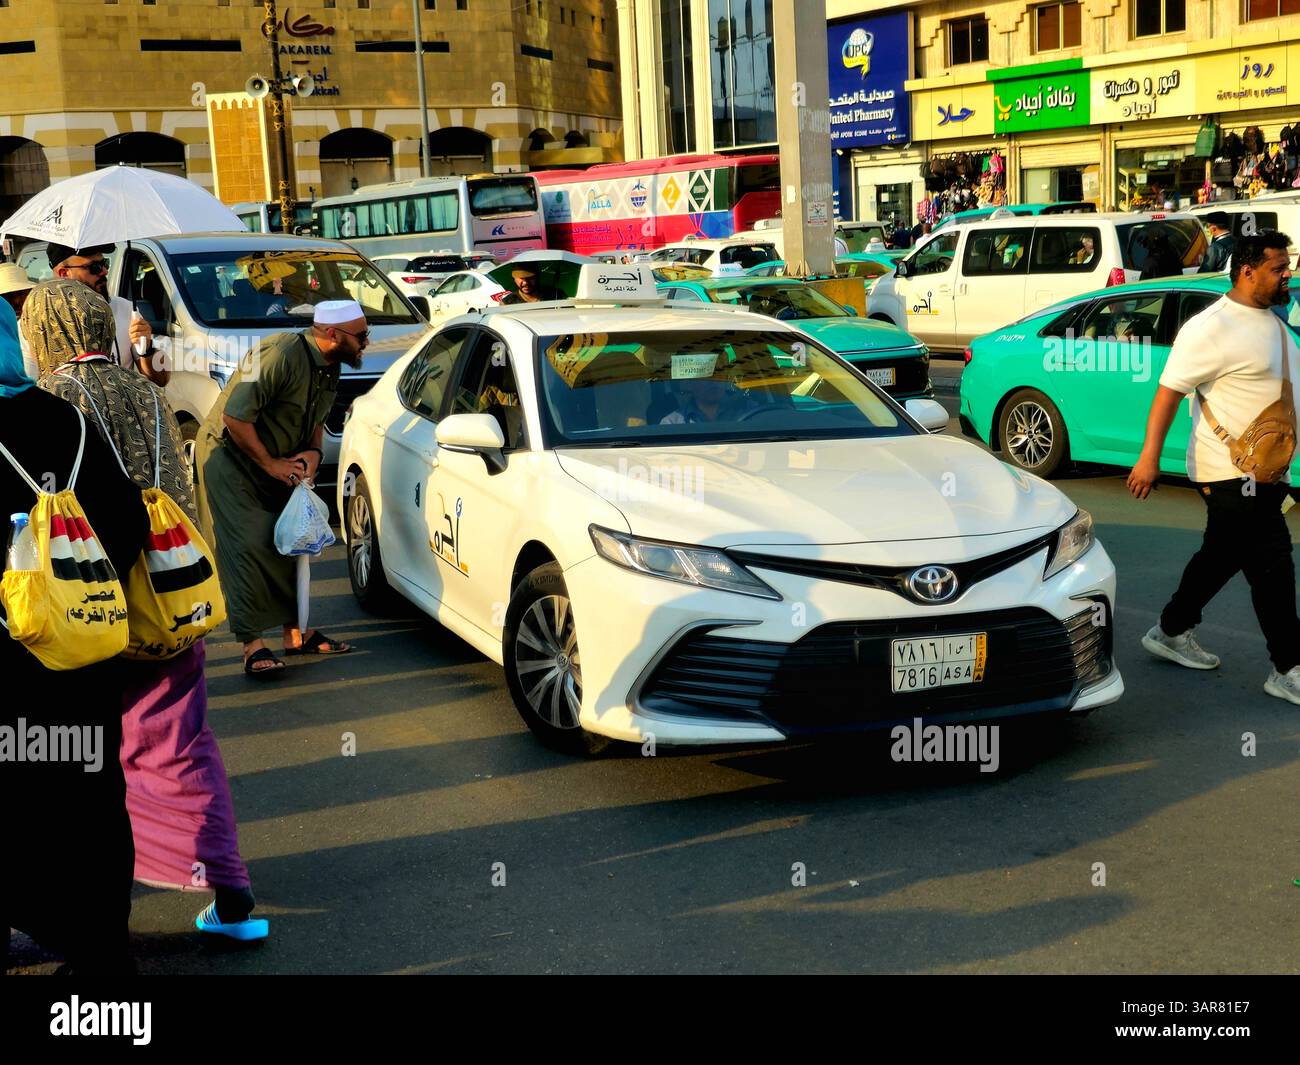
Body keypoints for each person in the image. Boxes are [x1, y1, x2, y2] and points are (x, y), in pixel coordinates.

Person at [22, 279, 266, 940]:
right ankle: (231, 890)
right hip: (170, 599)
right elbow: (180, 495)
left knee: (86, 766)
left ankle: (100, 916)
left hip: (93, 606)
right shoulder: (152, 395)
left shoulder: (52, 401)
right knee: (182, 745)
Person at [0, 300, 148, 974]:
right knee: (89, 802)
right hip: (84, 663)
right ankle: (101, 949)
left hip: (10, 670)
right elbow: (125, 523)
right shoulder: (71, 420)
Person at [1127, 231, 1300, 705]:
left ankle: (1170, 629)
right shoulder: (1211, 327)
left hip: (1268, 472)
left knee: (1221, 556)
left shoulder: (1275, 324)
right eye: (1278, 268)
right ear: (1247, 270)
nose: (1288, 274)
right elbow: (1169, 392)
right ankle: (1288, 667)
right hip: (1227, 470)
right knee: (1273, 565)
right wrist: (1148, 459)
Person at [196, 300, 363, 677]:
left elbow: (316, 420)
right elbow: (234, 417)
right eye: (361, 336)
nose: (367, 343)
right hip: (230, 459)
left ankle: (296, 633)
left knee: (291, 540)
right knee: (248, 545)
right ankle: (251, 644)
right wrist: (270, 464)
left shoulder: (330, 365)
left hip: (282, 462)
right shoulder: (279, 353)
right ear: (333, 335)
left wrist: (315, 455)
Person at [46, 243, 169, 387]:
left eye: (105, 263)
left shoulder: (126, 310)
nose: (104, 271)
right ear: (64, 273)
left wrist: (147, 349)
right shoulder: (40, 321)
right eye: (95, 267)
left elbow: (160, 380)